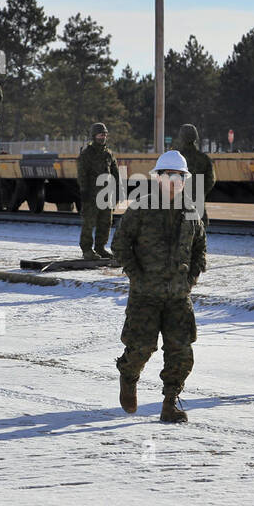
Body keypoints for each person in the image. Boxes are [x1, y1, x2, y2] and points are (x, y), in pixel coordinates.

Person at [112, 150, 207, 424]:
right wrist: (135, 275)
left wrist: (192, 278)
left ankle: (169, 403)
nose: (175, 181)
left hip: (178, 296)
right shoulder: (140, 208)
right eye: (170, 176)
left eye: (180, 176)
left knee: (181, 352)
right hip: (146, 295)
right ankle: (128, 376)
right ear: (158, 178)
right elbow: (120, 245)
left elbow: (200, 246)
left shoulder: (191, 211)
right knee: (140, 347)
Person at [77, 122, 118, 259]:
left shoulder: (109, 154)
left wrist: (117, 191)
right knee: (89, 223)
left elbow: (115, 174)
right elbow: (82, 174)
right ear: (94, 136)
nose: (103, 137)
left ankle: (100, 248)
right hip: (91, 195)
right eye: (101, 135)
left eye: (105, 135)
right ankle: (87, 250)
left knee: (105, 223)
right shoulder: (86, 154)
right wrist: (84, 192)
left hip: (106, 195)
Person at [174, 123, 216, 229]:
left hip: (177, 206)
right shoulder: (204, 158)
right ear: (196, 137)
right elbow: (211, 180)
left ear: (181, 137)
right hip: (197, 205)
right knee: (198, 238)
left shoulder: (175, 158)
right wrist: (199, 192)